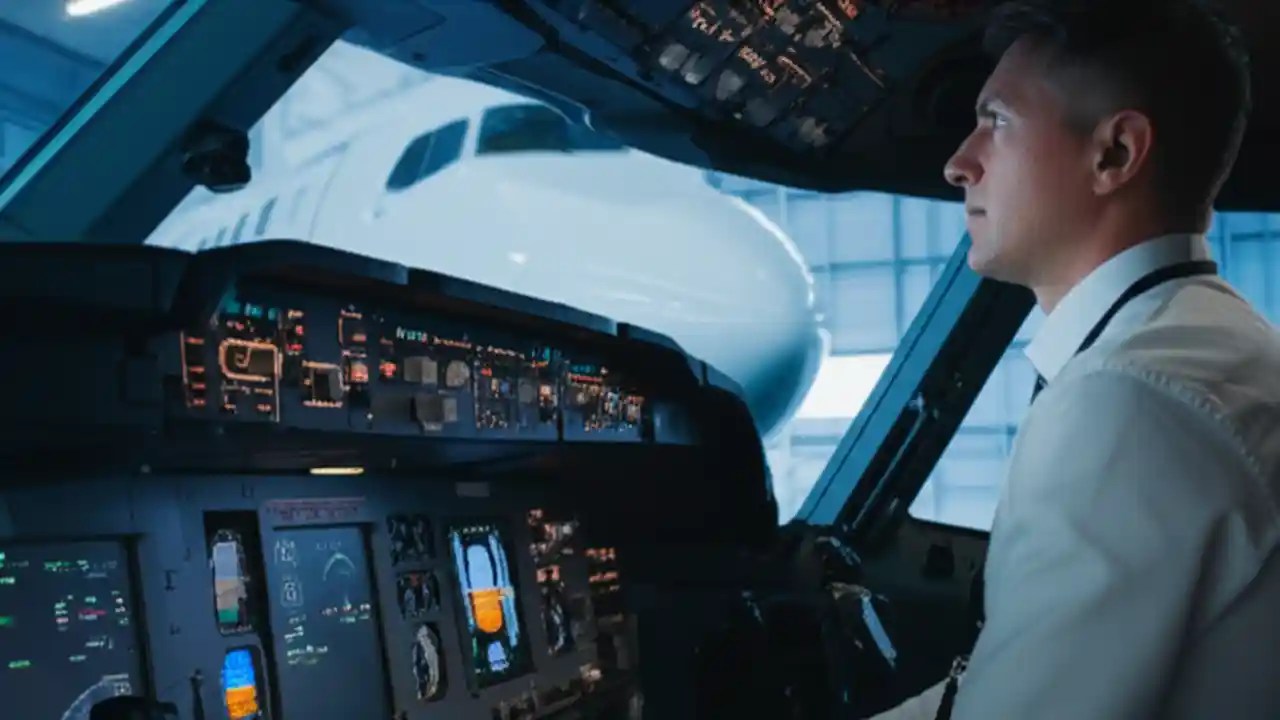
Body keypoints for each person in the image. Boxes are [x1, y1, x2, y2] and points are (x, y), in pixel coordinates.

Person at [876, 1, 1280, 718]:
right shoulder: (1205, 343)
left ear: (1114, 154)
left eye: (996, 122)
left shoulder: (1127, 402)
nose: (958, 163)